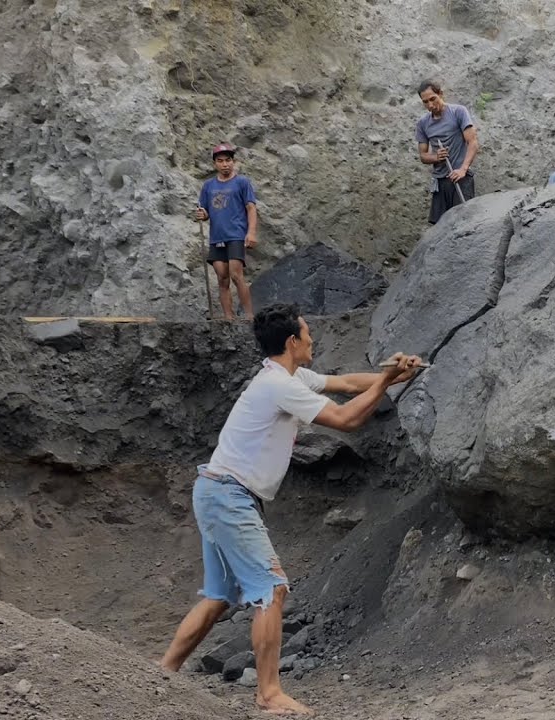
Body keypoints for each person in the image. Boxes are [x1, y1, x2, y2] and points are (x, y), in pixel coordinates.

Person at [158, 303, 424, 716]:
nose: (312, 339)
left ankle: (160, 677)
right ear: (291, 342)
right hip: (228, 494)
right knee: (272, 588)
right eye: (307, 333)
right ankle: (268, 693)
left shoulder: (287, 376)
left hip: (217, 491)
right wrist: (388, 380)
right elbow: (344, 418)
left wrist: (395, 376)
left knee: (219, 596)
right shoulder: (278, 386)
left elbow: (348, 383)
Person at [195, 143, 257, 320]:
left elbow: (251, 208)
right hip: (217, 237)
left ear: (233, 161)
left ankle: (249, 316)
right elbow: (205, 211)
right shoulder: (208, 186)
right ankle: (228, 318)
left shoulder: (242, 182)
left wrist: (251, 232)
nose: (225, 164)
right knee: (222, 277)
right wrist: (201, 214)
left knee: (236, 275)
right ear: (215, 164)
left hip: (236, 234)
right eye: (220, 161)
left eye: (228, 160)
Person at [414, 81, 480, 224]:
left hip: (461, 179)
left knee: (463, 224)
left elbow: (473, 143)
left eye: (433, 99)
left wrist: (463, 169)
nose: (430, 105)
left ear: (440, 94)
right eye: (425, 102)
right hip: (440, 181)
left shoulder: (458, 112)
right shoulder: (423, 123)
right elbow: (423, 156)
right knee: (440, 227)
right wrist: (436, 157)